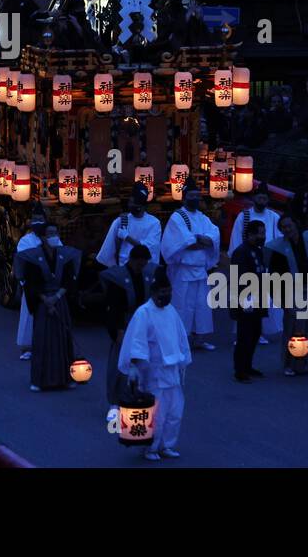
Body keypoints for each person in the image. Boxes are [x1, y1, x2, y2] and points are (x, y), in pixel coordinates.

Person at [118, 269, 191, 461]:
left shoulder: (171, 310)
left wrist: (183, 359)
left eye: (168, 291)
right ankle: (150, 448)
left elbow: (181, 337)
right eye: (162, 292)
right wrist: (136, 369)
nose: (166, 295)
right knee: (157, 414)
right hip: (154, 372)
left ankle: (167, 445)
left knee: (175, 412)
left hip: (173, 371)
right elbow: (137, 342)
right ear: (153, 292)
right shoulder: (143, 313)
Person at [16, 218, 80, 392]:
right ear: (43, 237)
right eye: (50, 234)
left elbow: (69, 279)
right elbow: (31, 282)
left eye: (55, 233)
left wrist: (58, 296)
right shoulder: (34, 256)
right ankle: (40, 380)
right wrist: (45, 299)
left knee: (63, 339)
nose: (53, 236)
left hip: (60, 299)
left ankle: (66, 378)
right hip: (43, 301)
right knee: (42, 339)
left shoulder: (64, 255)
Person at [268, 216, 308, 377]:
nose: (287, 229)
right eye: (283, 227)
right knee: (294, 329)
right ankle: (292, 364)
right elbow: (275, 275)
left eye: (289, 226)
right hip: (292, 291)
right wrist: (281, 299)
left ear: (296, 224)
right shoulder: (279, 248)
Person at [160, 185, 221, 351]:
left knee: (202, 305)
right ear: (184, 197)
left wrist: (199, 240)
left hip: (200, 270)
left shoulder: (202, 217)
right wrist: (202, 242)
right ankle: (181, 340)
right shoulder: (178, 217)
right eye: (191, 196)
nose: (195, 199)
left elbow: (214, 236)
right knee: (182, 306)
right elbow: (184, 242)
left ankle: (199, 339)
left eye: (197, 196)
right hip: (183, 270)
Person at [101, 243, 158, 405]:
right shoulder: (118, 278)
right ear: (132, 260)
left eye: (145, 263)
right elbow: (114, 308)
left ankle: (141, 398)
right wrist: (118, 331)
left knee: (144, 364)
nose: (142, 266)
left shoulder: (147, 274)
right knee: (120, 365)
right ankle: (115, 402)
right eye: (140, 263)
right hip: (124, 325)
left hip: (144, 324)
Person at [227, 182, 281, 345]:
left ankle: (260, 333)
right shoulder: (244, 216)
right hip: (246, 262)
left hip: (265, 263)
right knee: (245, 298)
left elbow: (278, 241)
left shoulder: (273, 217)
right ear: (254, 198)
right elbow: (236, 241)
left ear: (267, 200)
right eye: (259, 197)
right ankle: (241, 334)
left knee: (263, 300)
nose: (262, 200)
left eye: (264, 197)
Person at [230, 218, 269, 383]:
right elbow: (240, 279)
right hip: (246, 300)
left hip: (258, 297)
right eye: (260, 233)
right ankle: (240, 370)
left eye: (263, 233)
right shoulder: (241, 252)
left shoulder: (258, 250)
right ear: (251, 234)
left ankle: (248, 365)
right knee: (244, 336)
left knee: (255, 334)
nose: (263, 236)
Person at [94, 184, 161, 268]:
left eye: (133, 203)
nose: (130, 205)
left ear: (142, 206)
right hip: (124, 267)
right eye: (130, 202)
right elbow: (108, 250)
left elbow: (148, 248)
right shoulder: (121, 221)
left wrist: (126, 237)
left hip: (145, 268)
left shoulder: (154, 223)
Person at [13, 210, 46, 361]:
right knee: (30, 315)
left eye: (41, 219)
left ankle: (50, 345)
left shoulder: (53, 239)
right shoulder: (26, 240)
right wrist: (23, 281)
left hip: (49, 283)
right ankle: (28, 346)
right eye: (35, 219)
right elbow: (21, 262)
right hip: (32, 283)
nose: (38, 222)